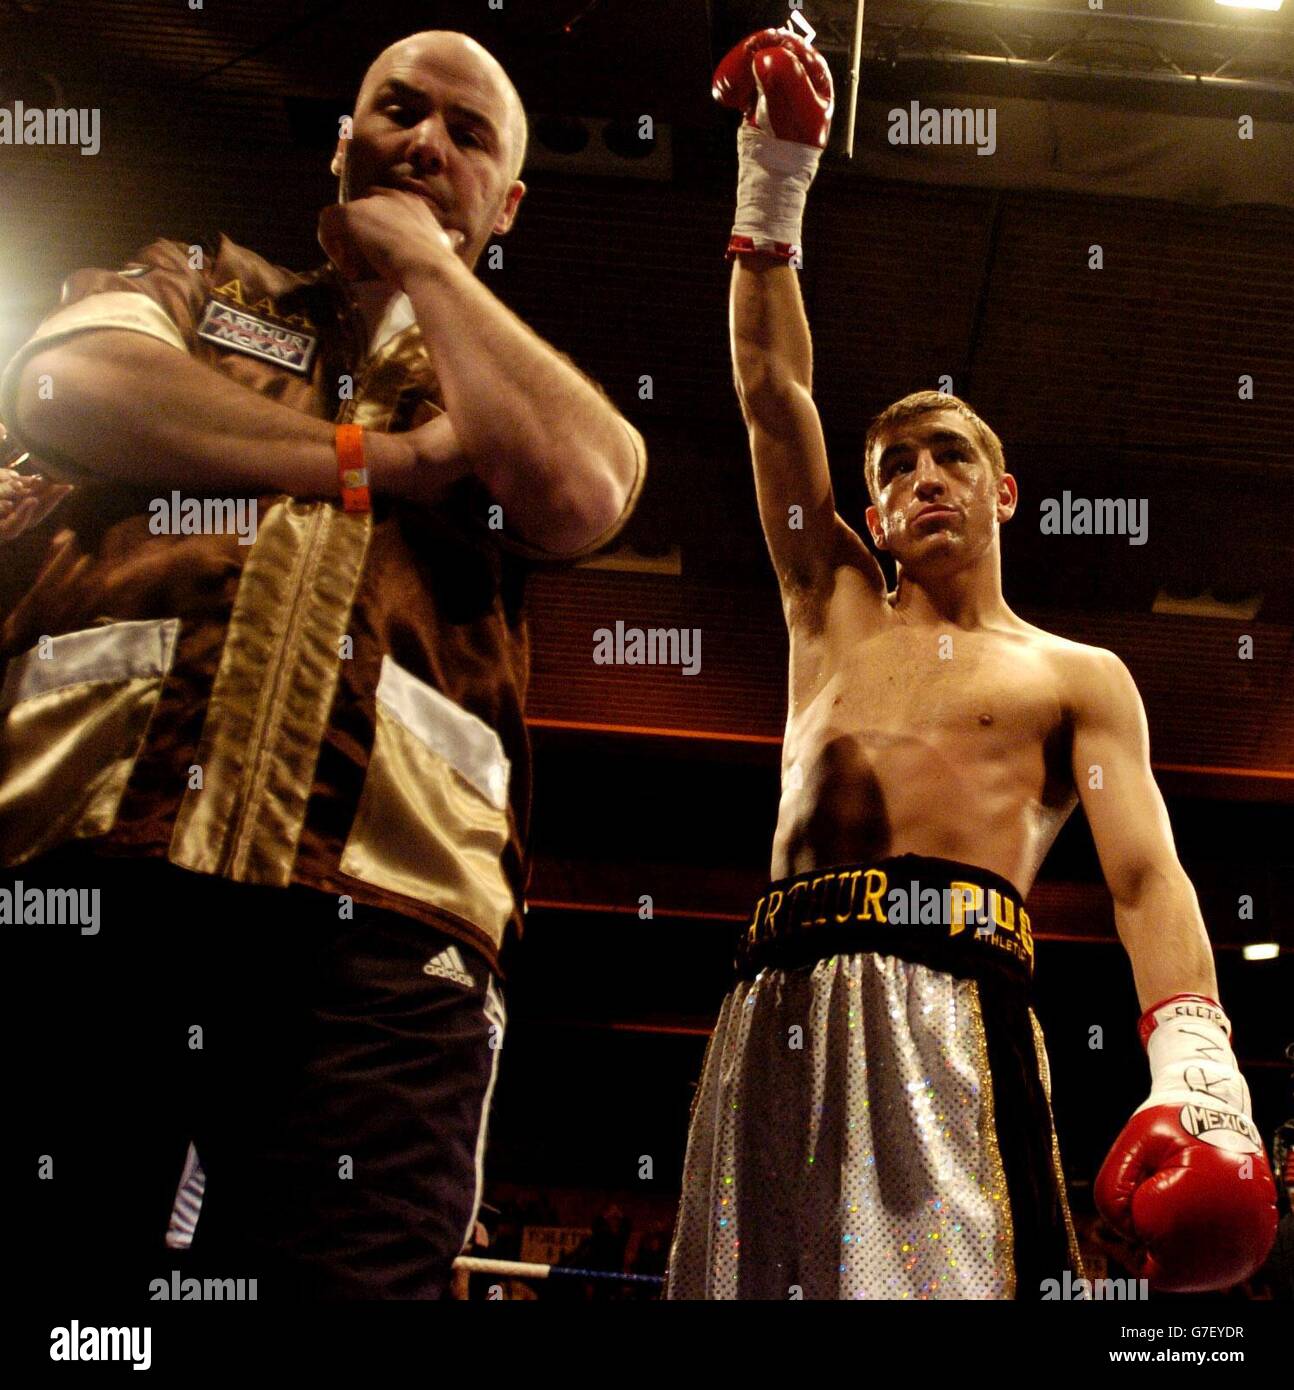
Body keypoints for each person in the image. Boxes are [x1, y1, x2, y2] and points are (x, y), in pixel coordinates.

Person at [0, 28, 644, 1301]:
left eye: (469, 136)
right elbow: (67, 384)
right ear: (344, 141)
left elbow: (585, 488)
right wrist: (383, 464)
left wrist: (423, 260)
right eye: (398, 113)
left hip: (387, 925)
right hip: (93, 865)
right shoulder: (198, 280)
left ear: (509, 202)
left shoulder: (504, 386)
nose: (424, 143)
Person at [665, 26, 1276, 1301]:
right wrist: (771, 174)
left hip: (950, 1006)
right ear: (871, 512)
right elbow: (773, 392)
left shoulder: (1075, 675)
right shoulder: (824, 600)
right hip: (768, 1000)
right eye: (893, 468)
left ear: (1000, 491)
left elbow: (1147, 877)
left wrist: (1202, 1083)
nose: (919, 477)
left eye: (946, 456)